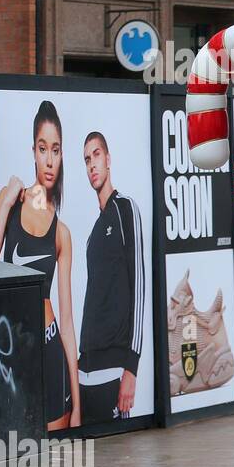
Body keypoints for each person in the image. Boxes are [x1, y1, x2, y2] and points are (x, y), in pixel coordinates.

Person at [0, 101, 82, 430]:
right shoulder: (9, 200)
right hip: (11, 348)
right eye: (43, 148)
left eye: (55, 150)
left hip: (49, 346)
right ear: (33, 151)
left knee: (55, 465)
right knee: (16, 448)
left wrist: (77, 402)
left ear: (61, 156)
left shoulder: (62, 233)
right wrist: (5, 203)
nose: (48, 159)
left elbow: (69, 324)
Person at [77, 132, 145, 424]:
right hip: (85, 370)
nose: (92, 164)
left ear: (108, 160)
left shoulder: (125, 209)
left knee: (119, 465)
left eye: (96, 155)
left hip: (114, 368)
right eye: (86, 159)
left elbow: (140, 288)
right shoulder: (92, 234)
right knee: (88, 465)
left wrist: (131, 368)